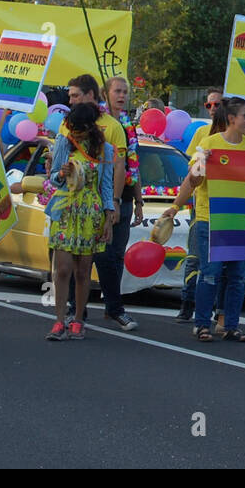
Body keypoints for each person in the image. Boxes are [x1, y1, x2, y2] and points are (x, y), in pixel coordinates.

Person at [168, 97, 245, 343]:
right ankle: (202, 324)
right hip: (210, 218)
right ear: (232, 119)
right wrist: (201, 163)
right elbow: (194, 181)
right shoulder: (209, 143)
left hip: (241, 221)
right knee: (210, 273)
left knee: (238, 276)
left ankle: (230, 325)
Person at [60, 74, 137, 331]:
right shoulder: (66, 124)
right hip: (70, 207)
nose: (70, 100)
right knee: (73, 262)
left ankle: (114, 310)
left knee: (107, 259)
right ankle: (73, 312)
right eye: (69, 96)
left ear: (92, 95)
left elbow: (117, 168)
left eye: (75, 95)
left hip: (98, 205)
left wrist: (113, 203)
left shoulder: (113, 126)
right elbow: (57, 165)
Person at [44, 102, 114, 340]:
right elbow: (53, 179)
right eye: (70, 128)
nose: (74, 133)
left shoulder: (105, 149)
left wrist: (108, 215)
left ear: (90, 127)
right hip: (65, 208)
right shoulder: (63, 143)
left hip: (89, 211)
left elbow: (106, 186)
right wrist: (61, 174)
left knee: (83, 272)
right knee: (62, 269)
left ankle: (78, 319)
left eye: (79, 129)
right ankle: (59, 321)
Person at [175, 88, 225, 323]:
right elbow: (191, 169)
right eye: (209, 106)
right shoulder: (203, 134)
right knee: (195, 256)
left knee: (223, 262)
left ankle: (219, 309)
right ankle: (187, 303)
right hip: (202, 206)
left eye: (217, 104)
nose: (213, 109)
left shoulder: (239, 137)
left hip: (227, 210)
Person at [105, 75, 146, 325]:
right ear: (106, 93)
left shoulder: (128, 125)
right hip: (106, 196)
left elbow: (134, 164)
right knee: (99, 254)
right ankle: (76, 306)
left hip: (127, 197)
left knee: (118, 253)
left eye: (125, 92)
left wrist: (139, 200)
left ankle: (112, 304)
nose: (122, 96)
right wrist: (113, 200)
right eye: (117, 91)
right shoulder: (101, 123)